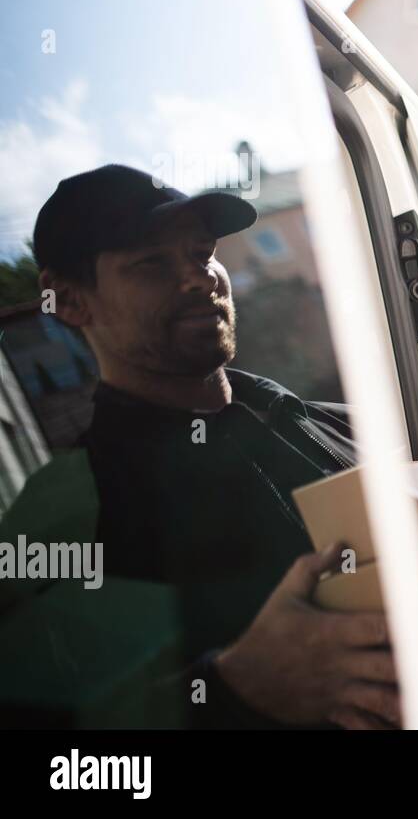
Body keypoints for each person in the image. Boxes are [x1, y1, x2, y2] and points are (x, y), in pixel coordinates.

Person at [30, 164, 398, 729]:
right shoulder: (71, 509)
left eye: (202, 253)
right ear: (71, 301)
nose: (200, 279)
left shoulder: (347, 428)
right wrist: (233, 690)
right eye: (151, 263)